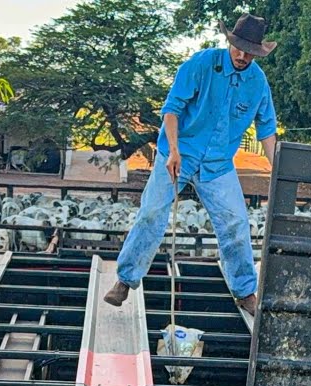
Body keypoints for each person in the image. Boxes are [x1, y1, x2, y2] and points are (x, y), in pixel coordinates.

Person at [104, 13, 279, 315]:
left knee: (236, 222)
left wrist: (279, 171)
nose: (241, 55)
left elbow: (267, 132)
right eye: (237, 48)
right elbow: (172, 110)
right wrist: (173, 151)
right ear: (229, 42)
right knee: (151, 212)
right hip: (178, 152)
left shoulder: (258, 84)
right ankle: (125, 279)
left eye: (248, 51)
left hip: (218, 164)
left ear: (257, 52)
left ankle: (244, 291)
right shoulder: (201, 64)